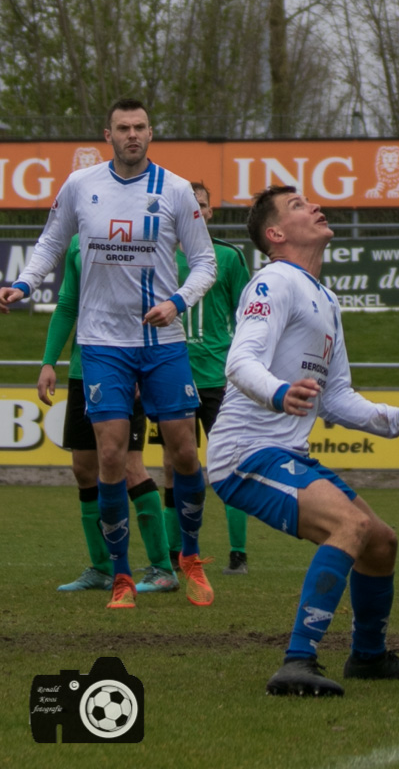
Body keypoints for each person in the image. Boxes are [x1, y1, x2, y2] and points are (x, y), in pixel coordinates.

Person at [206, 185, 399, 697]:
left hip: (285, 453)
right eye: (299, 206)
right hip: (243, 453)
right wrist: (280, 394)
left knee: (380, 542)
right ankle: (296, 662)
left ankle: (367, 657)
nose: (316, 207)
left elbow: (338, 396)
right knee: (351, 523)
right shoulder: (273, 281)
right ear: (275, 235)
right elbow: (239, 363)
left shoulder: (323, 296)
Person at [0, 99, 217, 610]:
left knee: (184, 451)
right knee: (112, 456)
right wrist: (24, 283)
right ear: (108, 135)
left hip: (161, 344)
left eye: (140, 127)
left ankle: (189, 558)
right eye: (123, 128)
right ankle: (121, 576)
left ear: (151, 133)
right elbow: (51, 243)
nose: (132, 135)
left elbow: (204, 262)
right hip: (101, 344)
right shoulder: (81, 185)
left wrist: (177, 302)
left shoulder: (177, 190)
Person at [37, 234, 177, 593]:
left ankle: (162, 569)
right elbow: (68, 303)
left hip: (124, 367)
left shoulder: (136, 238)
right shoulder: (75, 244)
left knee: (129, 467)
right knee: (84, 468)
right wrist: (49, 362)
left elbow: (148, 302)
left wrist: (137, 367)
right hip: (84, 371)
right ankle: (101, 568)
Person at [150, 181, 253, 574]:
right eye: (189, 205)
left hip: (218, 377)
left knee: (229, 462)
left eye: (203, 205)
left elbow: (248, 316)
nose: (197, 210)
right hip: (170, 372)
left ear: (210, 212)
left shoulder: (227, 258)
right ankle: (175, 554)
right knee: (173, 463)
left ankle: (238, 555)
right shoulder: (156, 258)